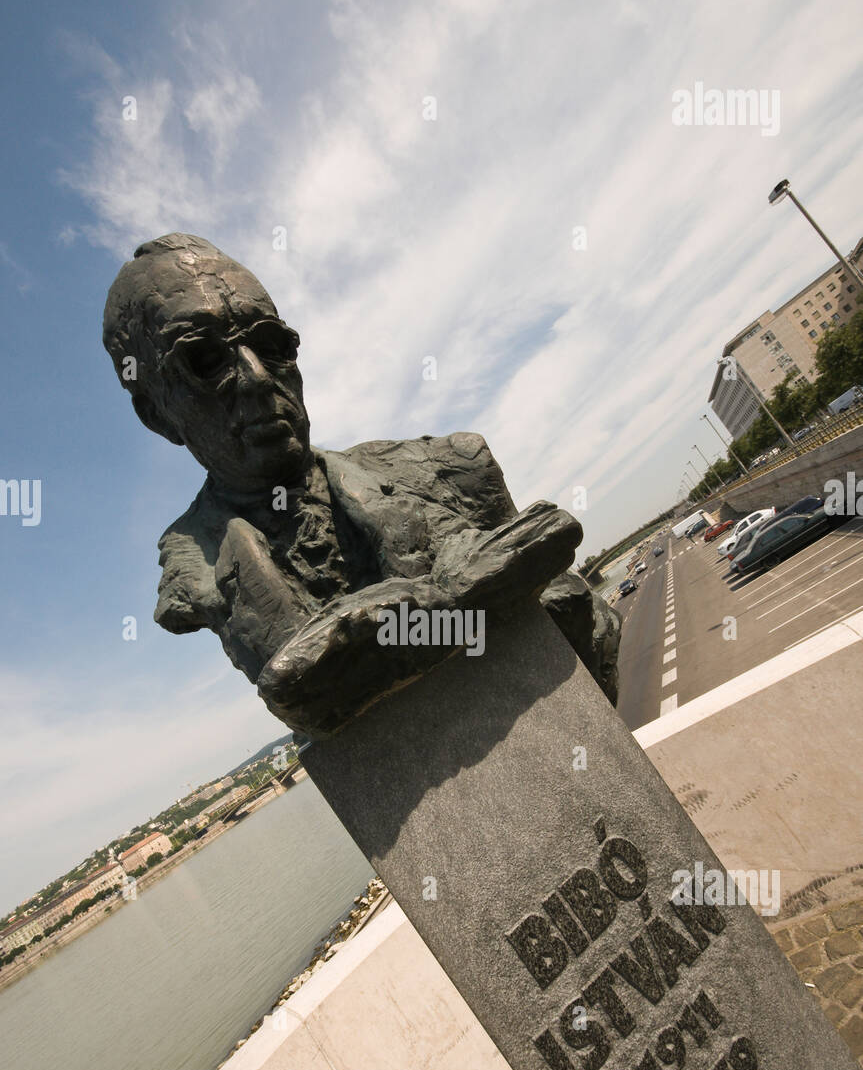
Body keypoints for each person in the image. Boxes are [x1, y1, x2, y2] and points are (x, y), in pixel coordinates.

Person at [103, 234, 619, 737]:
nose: (258, 377)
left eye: (270, 344)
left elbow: (591, 630)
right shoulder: (199, 576)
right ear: (158, 414)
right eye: (205, 361)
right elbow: (298, 689)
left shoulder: (454, 467)